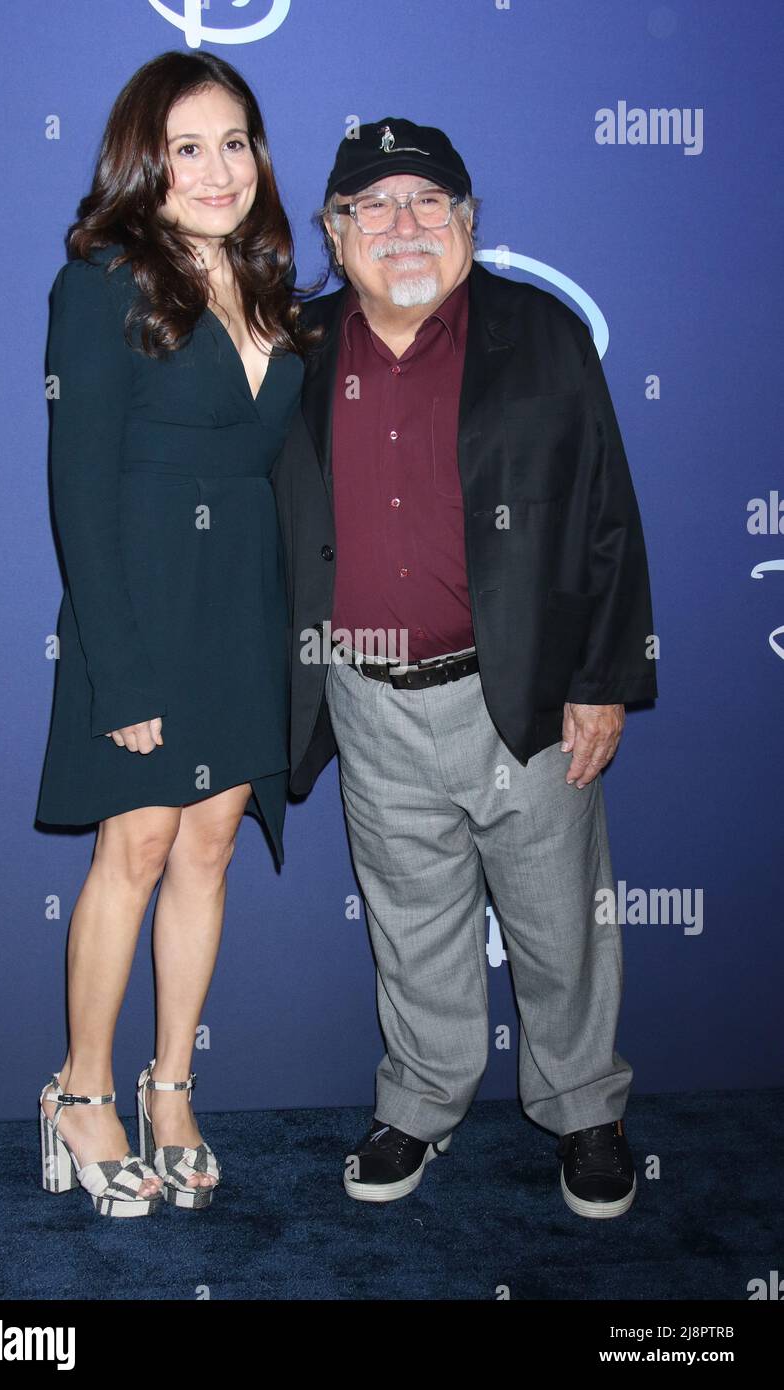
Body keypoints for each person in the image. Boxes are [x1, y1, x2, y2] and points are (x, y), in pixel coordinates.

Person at [272, 117, 658, 1216]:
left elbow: (604, 516)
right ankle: (420, 1100)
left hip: (519, 687)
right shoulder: (291, 349)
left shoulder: (538, 334)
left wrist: (599, 678)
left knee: (557, 921)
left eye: (427, 204)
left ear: (467, 225)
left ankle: (585, 1109)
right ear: (335, 233)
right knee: (410, 921)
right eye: (372, 207)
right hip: (363, 692)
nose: (402, 226)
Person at [35, 51, 316, 1217]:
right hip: (143, 601)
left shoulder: (276, 290)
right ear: (144, 164)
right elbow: (77, 489)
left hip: (242, 605)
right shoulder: (102, 281)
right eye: (188, 147)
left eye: (235, 142)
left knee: (207, 849)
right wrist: (121, 665)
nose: (217, 168)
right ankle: (79, 1094)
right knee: (136, 849)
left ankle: (171, 1086)